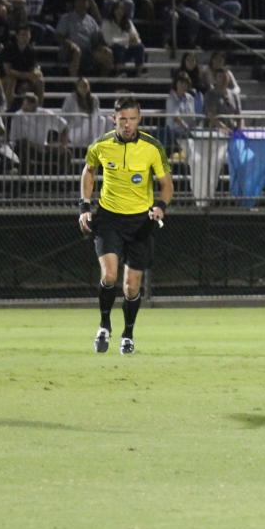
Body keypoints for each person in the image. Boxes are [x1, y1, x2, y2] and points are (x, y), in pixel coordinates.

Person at [78, 96, 172, 355]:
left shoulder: (152, 147)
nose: (128, 125)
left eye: (132, 119)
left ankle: (128, 334)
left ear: (139, 119)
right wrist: (84, 207)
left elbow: (166, 185)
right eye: (122, 120)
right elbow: (88, 171)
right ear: (114, 119)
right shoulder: (102, 144)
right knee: (109, 276)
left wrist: (160, 207)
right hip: (108, 219)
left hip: (140, 222)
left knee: (131, 287)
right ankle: (104, 325)